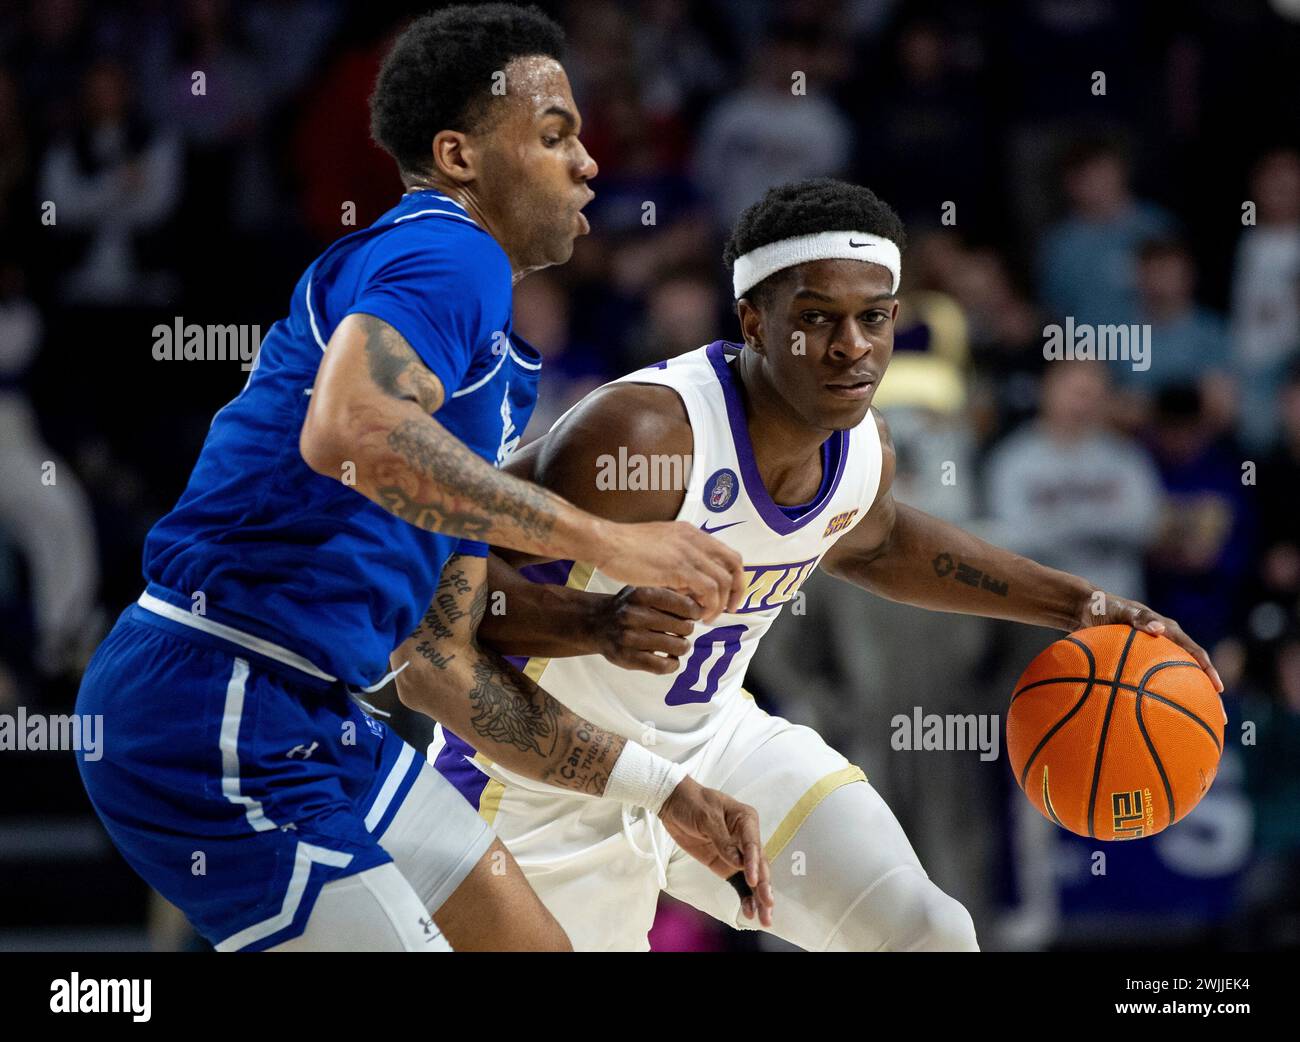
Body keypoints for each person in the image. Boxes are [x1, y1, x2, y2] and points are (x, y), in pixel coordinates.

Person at [73, 3, 762, 954]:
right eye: (555, 134)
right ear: (460, 156)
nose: (589, 162)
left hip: (311, 708)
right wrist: (604, 539)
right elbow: (350, 427)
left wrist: (663, 786)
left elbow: (440, 666)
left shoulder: (481, 367)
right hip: (217, 693)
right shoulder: (449, 246)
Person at [415, 177, 1222, 951]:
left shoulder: (863, 448)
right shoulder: (648, 435)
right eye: (817, 317)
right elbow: (440, 598)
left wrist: (1077, 606)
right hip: (537, 775)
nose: (851, 347)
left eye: (873, 318)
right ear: (755, 322)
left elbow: (878, 542)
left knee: (928, 935)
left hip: (714, 746)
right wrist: (595, 620)